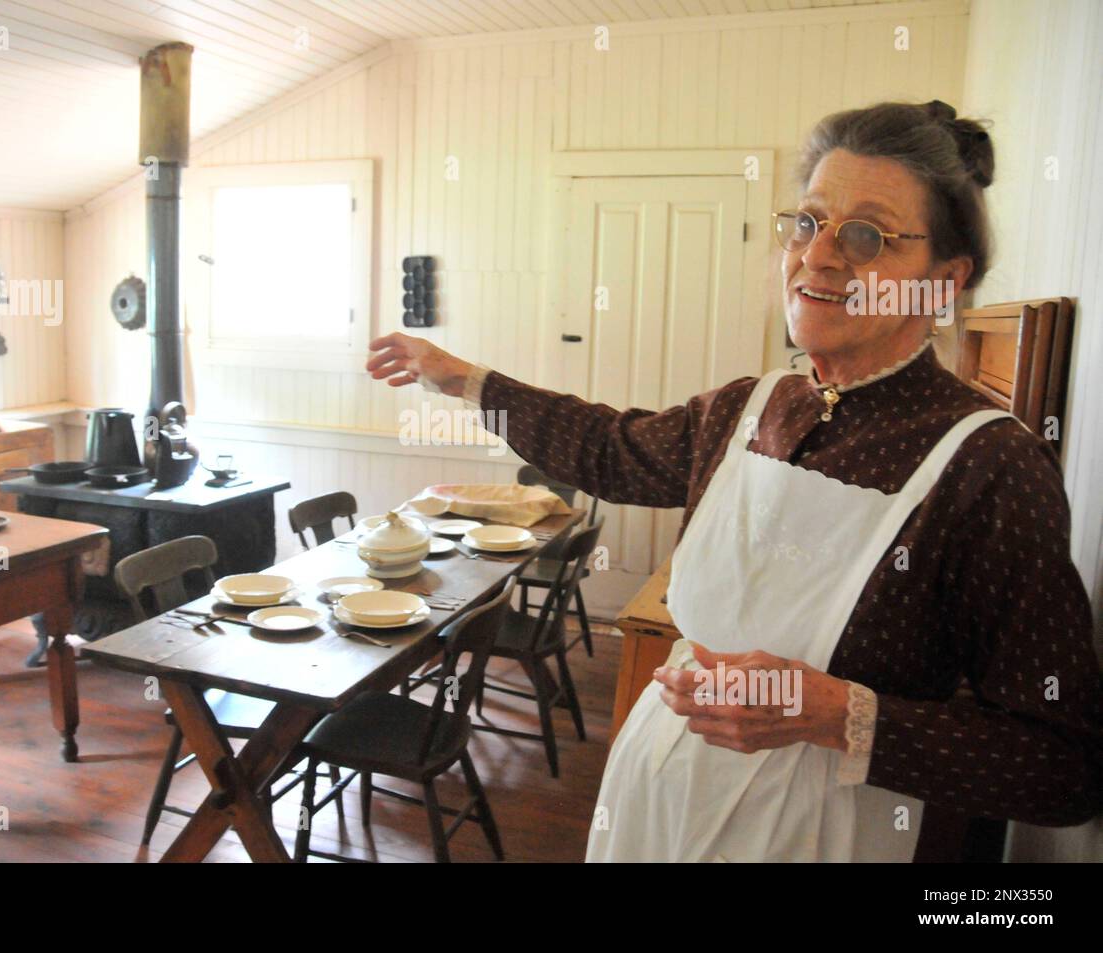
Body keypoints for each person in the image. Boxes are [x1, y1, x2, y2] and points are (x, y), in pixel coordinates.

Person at [365, 100, 1103, 861]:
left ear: (943, 281)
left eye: (866, 236)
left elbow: (1062, 765)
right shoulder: (752, 406)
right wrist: (466, 381)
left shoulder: (988, 464)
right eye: (808, 223)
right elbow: (610, 448)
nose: (817, 257)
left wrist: (834, 714)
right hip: (654, 806)